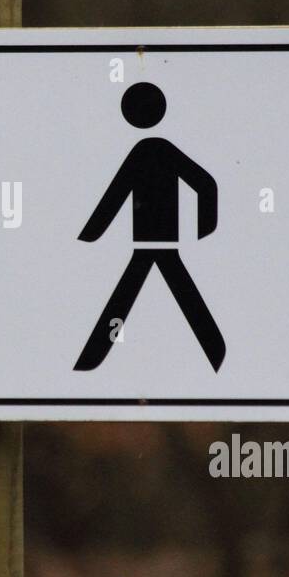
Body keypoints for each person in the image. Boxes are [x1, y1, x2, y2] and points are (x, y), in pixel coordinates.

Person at [74, 82, 226, 371]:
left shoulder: (149, 151)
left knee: (131, 296)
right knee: (161, 293)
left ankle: (91, 358)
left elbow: (116, 195)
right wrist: (203, 228)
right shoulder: (157, 150)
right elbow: (205, 185)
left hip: (153, 241)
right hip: (156, 241)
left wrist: (91, 234)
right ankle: (215, 352)